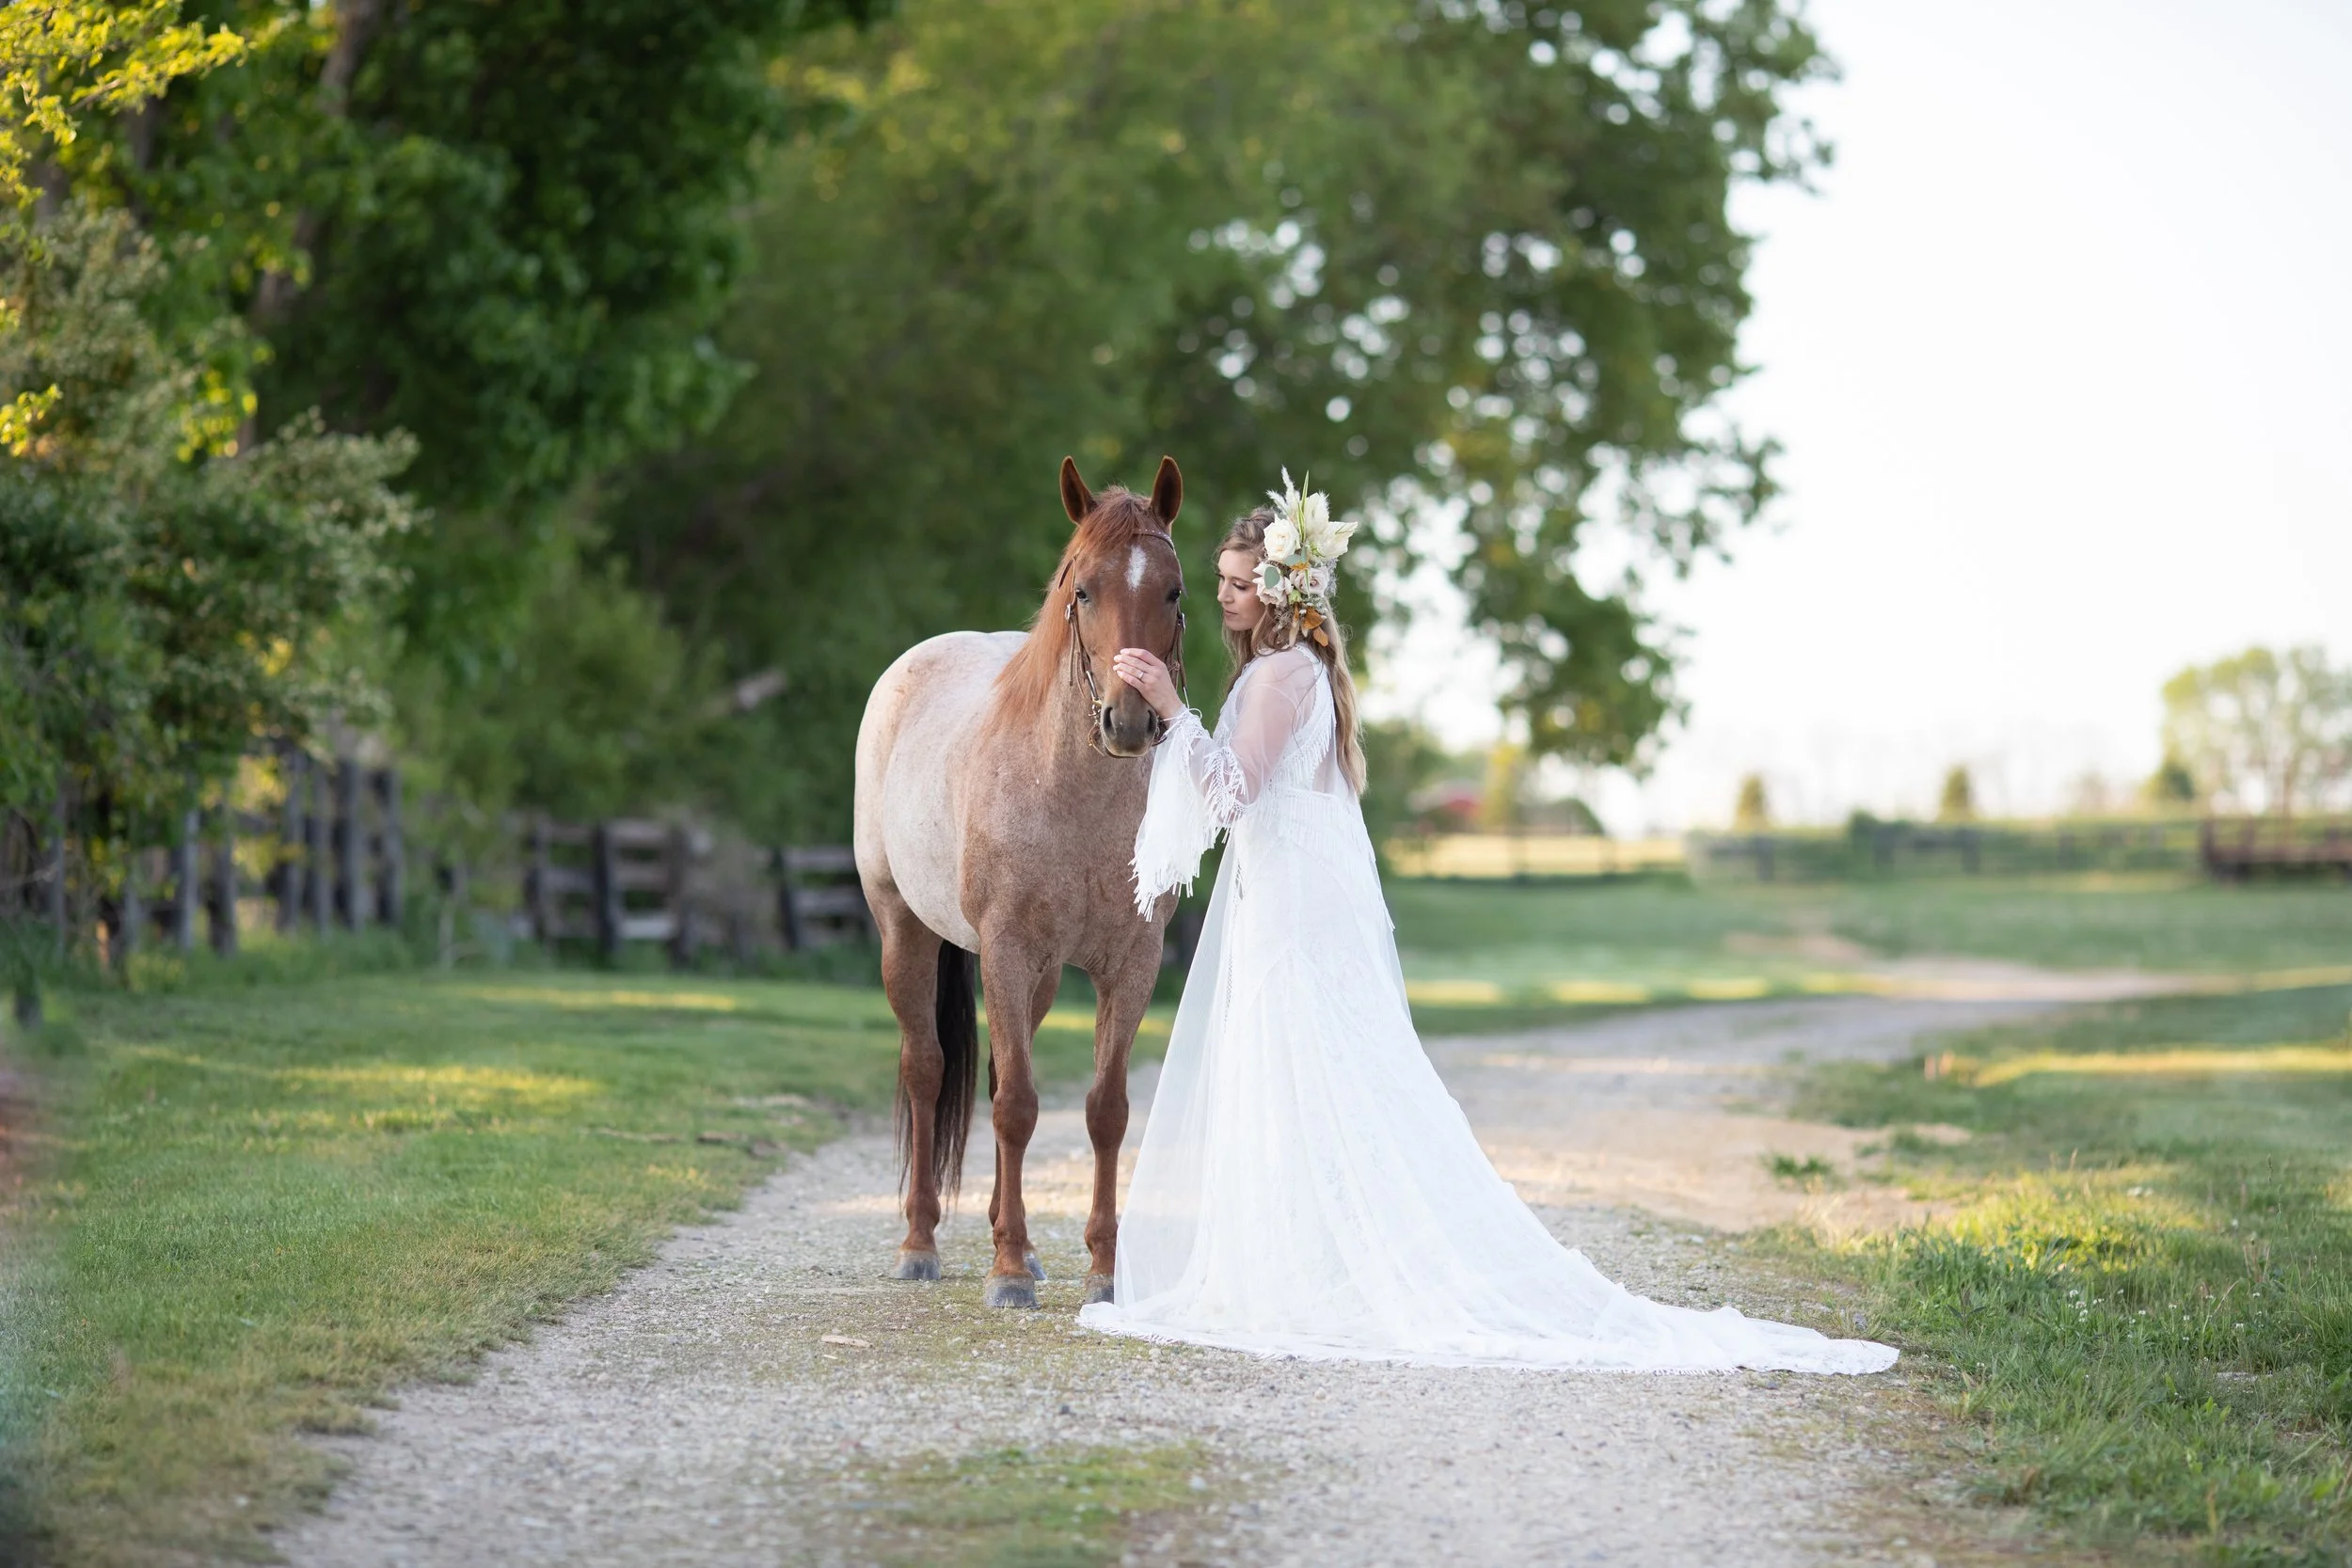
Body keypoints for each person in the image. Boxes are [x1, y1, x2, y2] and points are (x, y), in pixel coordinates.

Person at [1083, 472, 1896, 1373]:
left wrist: (1166, 706)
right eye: (1226, 583)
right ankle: (1309, 1258)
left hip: (1294, 903)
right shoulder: (1295, 670)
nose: (1223, 598)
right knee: (1312, 1067)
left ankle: (1316, 1270)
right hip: (1299, 887)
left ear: (1277, 594)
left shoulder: (1279, 676)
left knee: (1305, 1059)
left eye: (1238, 584)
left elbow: (1233, 793)